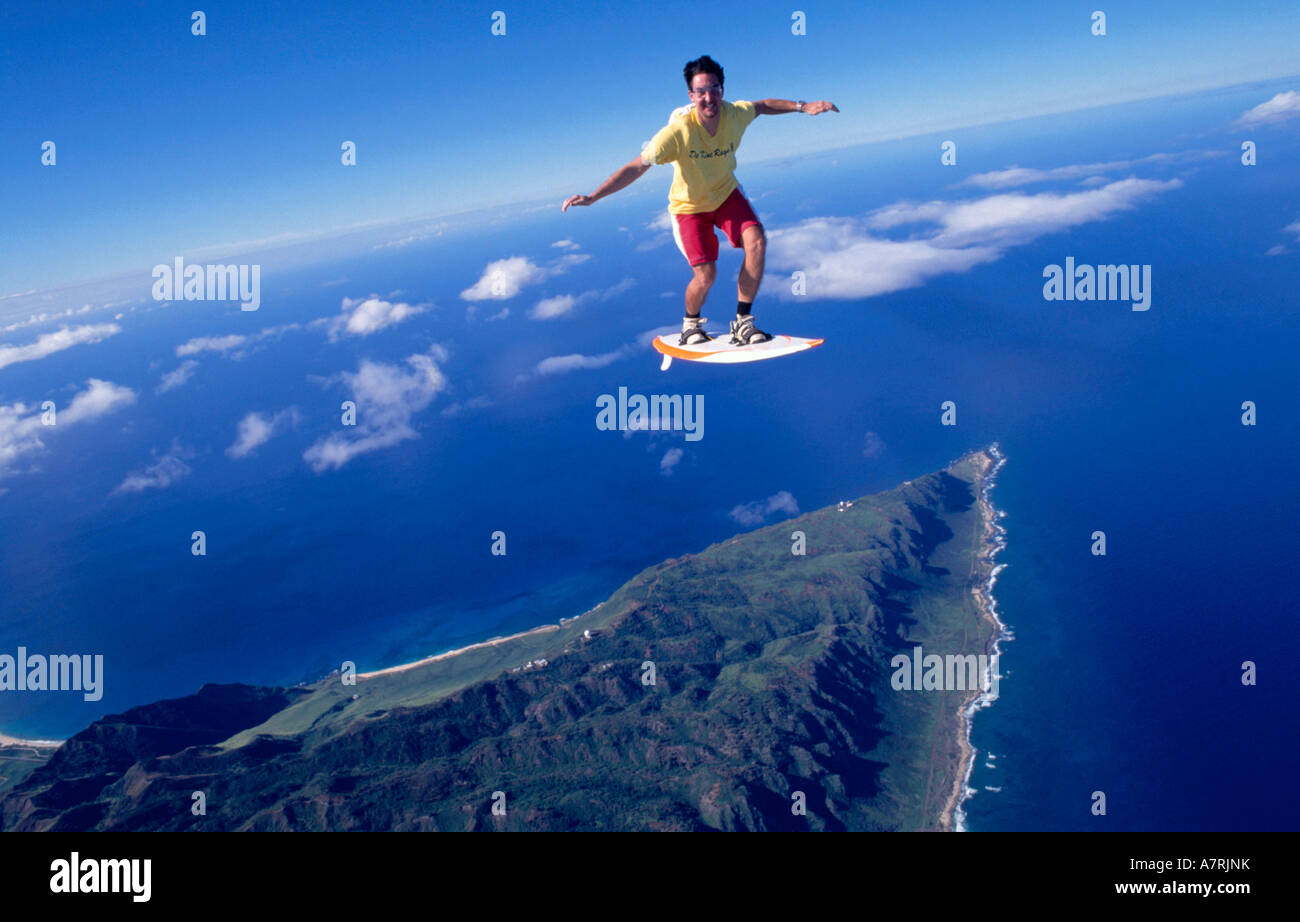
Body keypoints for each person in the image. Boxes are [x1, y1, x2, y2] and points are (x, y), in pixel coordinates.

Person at [562, 55, 838, 345]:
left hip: (725, 193)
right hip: (689, 208)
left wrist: (802, 106)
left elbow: (762, 106)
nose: (709, 98)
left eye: (715, 89)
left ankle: (742, 322)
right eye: (701, 92)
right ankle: (690, 324)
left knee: (756, 242)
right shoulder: (677, 133)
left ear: (722, 90)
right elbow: (636, 166)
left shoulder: (735, 114)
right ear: (691, 96)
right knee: (706, 275)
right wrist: (594, 197)